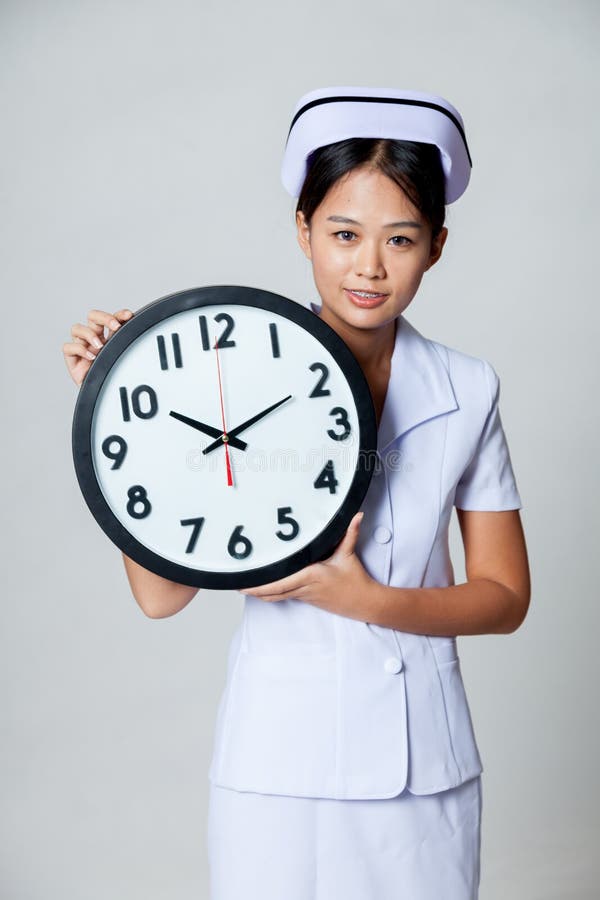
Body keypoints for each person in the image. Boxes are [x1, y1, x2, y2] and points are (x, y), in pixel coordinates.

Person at [63, 87, 531, 899]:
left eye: (401, 239)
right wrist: (122, 407)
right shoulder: (222, 370)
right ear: (303, 230)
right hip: (278, 769)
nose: (369, 266)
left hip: (424, 771)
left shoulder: (468, 388)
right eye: (344, 234)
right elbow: (160, 596)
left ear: (439, 246)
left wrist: (365, 600)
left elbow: (504, 596)